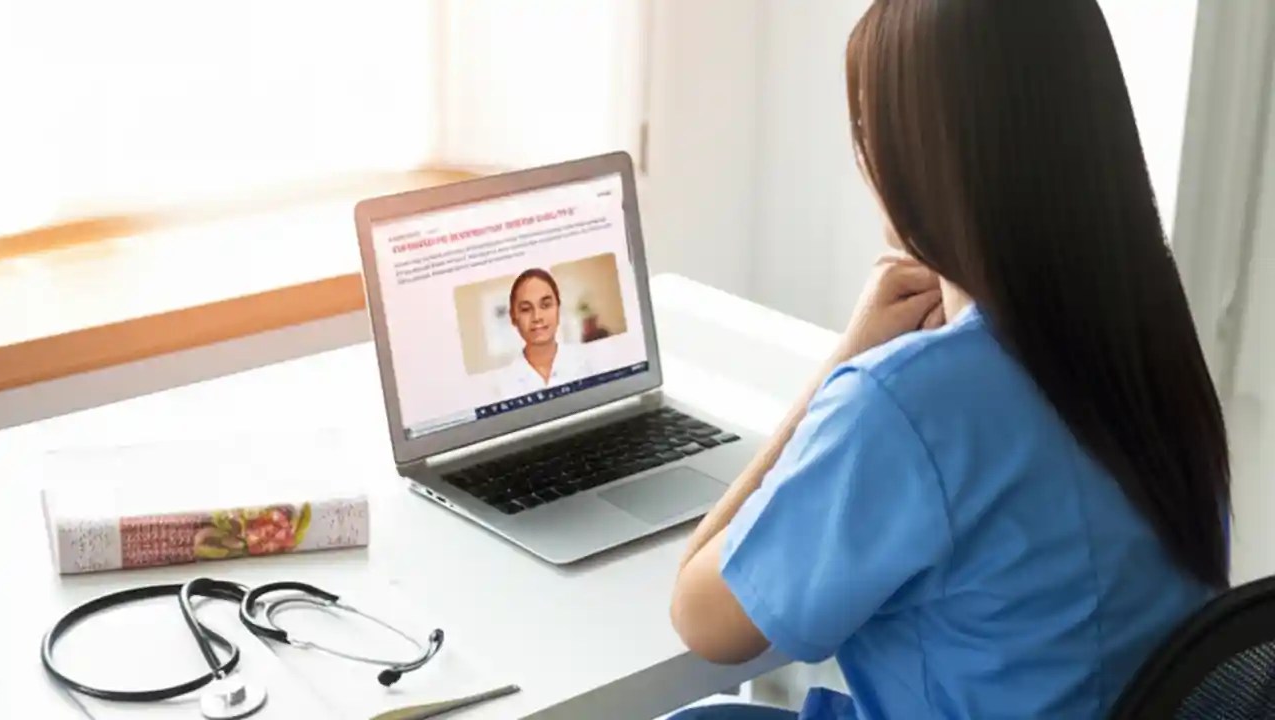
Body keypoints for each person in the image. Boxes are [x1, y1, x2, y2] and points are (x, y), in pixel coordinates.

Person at [669, 1, 1230, 719]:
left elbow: (701, 615)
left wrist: (844, 365)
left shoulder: (911, 405)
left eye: (870, 130)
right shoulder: (1150, 347)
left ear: (915, 159)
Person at [495, 268, 591, 399]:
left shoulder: (587, 363)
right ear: (513, 317)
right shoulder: (502, 386)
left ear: (558, 308)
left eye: (545, 305)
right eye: (526, 309)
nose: (537, 317)